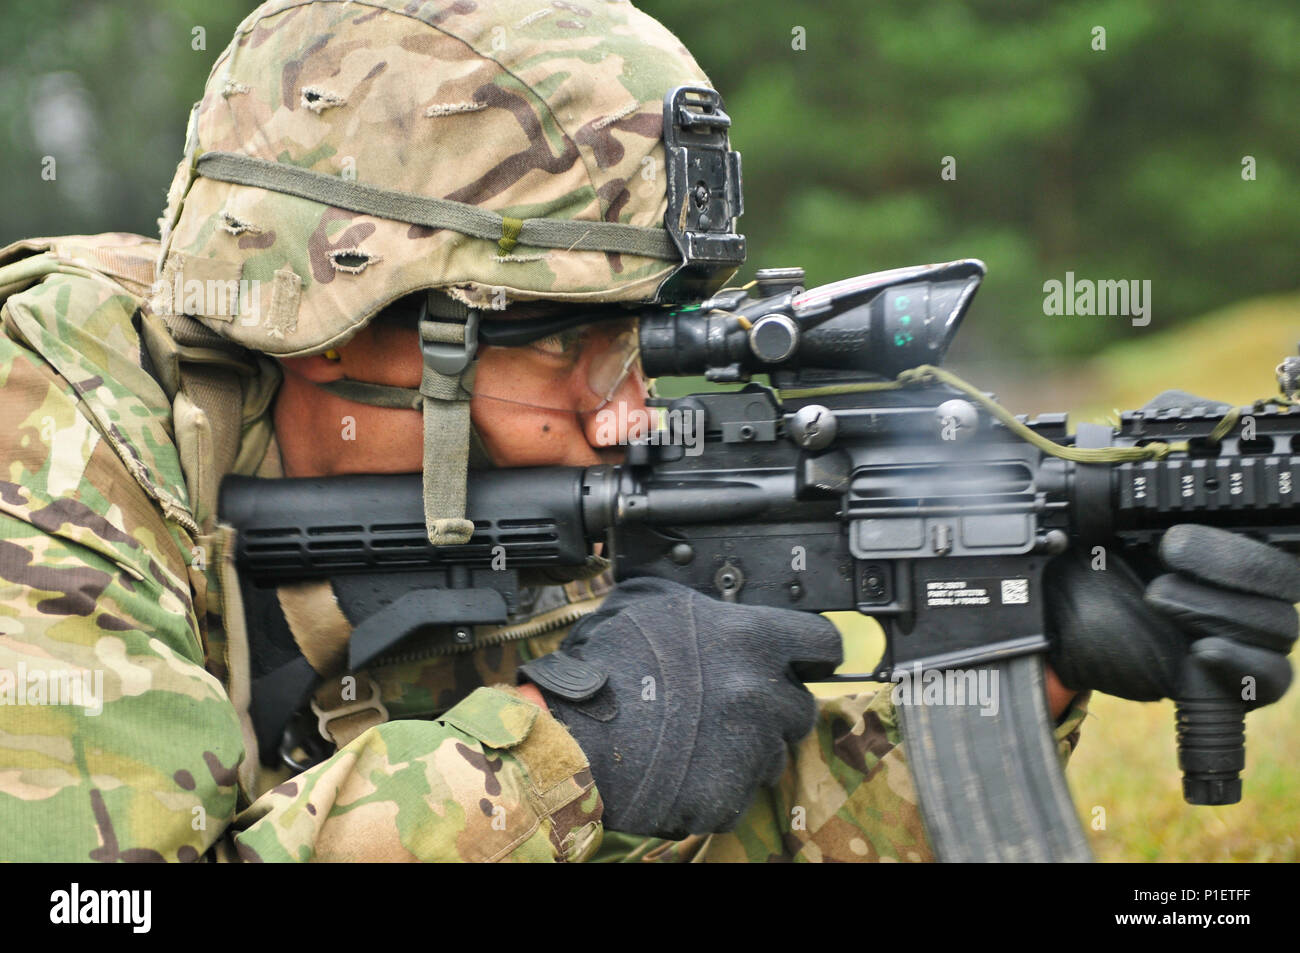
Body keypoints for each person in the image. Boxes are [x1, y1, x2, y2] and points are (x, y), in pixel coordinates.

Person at [0, 0, 1293, 863]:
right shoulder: (46, 427)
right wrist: (552, 763)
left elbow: (716, 824)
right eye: (566, 340)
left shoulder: (516, 473)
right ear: (330, 312)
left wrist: (1033, 656)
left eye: (643, 335)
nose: (626, 408)